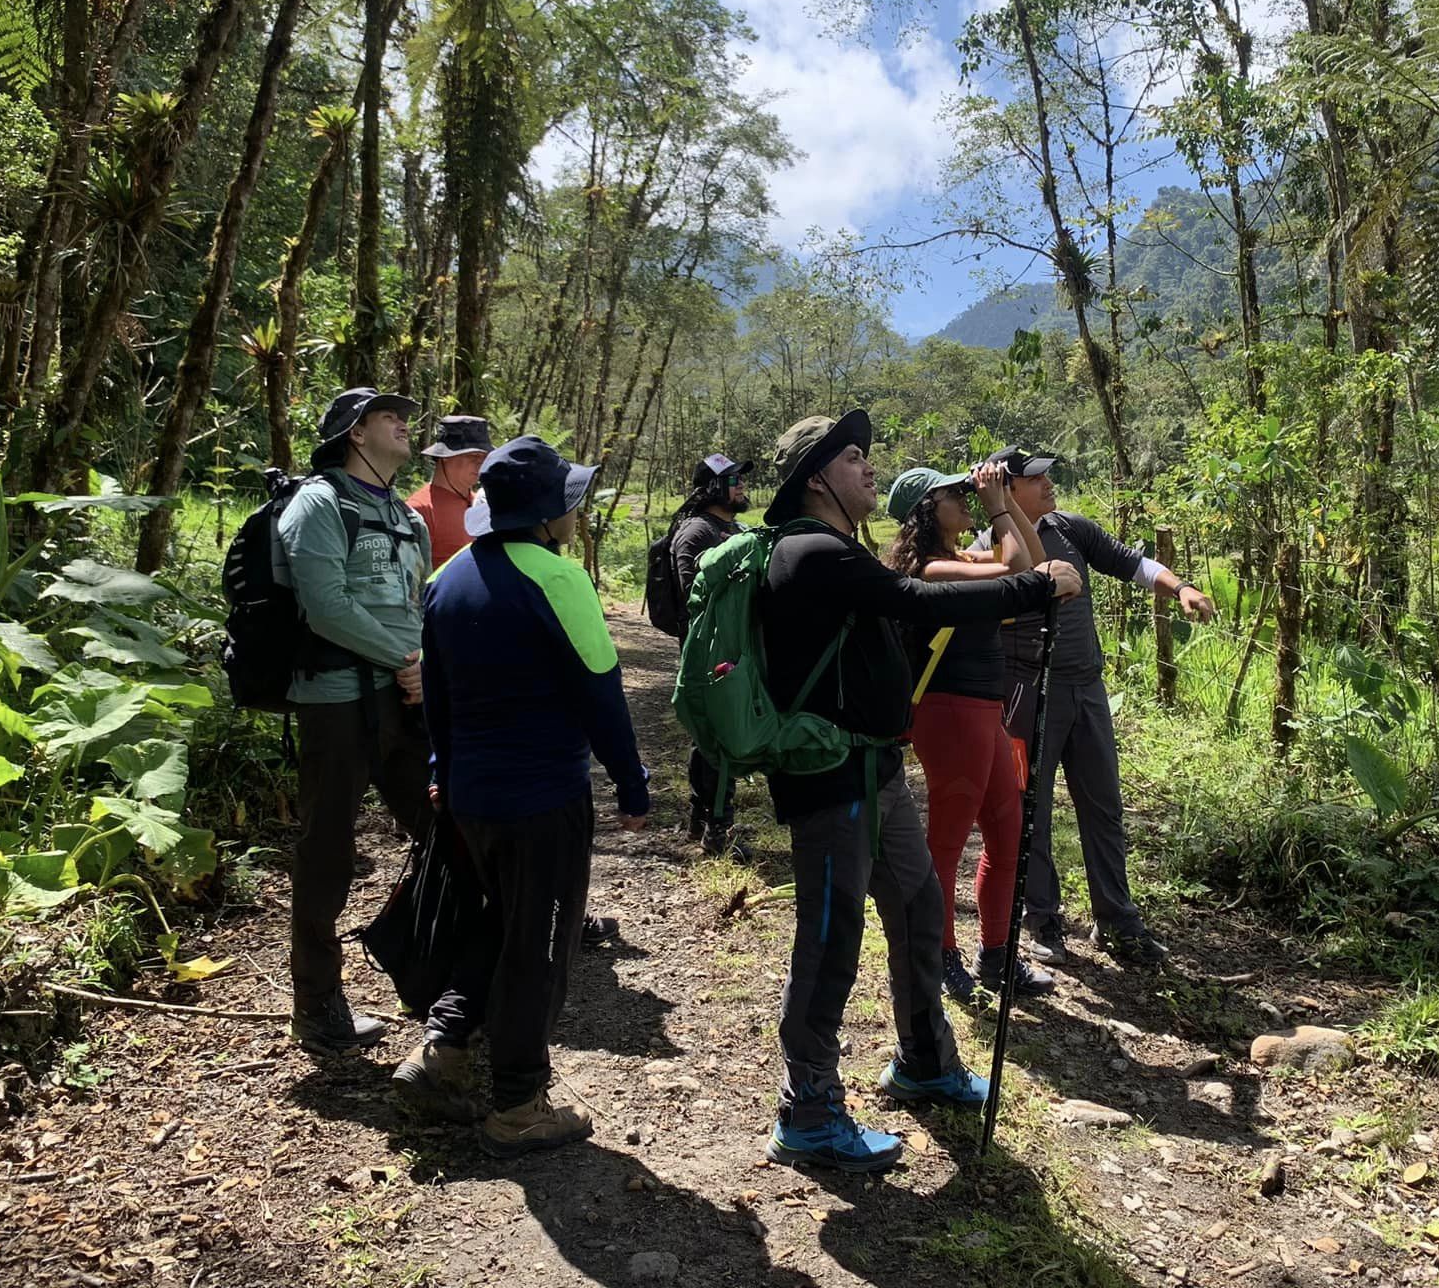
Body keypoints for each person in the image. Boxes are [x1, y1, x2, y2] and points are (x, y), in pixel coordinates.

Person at [756, 410, 1082, 1173]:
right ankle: (807, 1111)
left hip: (875, 770)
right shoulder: (809, 551)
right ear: (815, 477)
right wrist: (1032, 587)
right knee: (829, 942)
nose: (870, 469)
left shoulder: (839, 548)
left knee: (918, 906)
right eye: (854, 459)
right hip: (829, 779)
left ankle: (925, 1060)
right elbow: (920, 601)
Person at [408, 436, 653, 1157]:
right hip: (542, 798)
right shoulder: (558, 578)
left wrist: (440, 770)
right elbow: (600, 695)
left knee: (494, 919)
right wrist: (632, 784)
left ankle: (443, 1049)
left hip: (469, 796)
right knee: (540, 946)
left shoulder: (447, 578)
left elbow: (438, 700)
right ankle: (518, 1102)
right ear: (549, 511)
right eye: (570, 499)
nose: (577, 509)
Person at [978, 445, 1215, 969]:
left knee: (1103, 804)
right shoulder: (994, 545)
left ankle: (1118, 920)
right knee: (1029, 808)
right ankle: (1040, 918)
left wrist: (1181, 587)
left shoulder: (1071, 528)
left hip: (1086, 687)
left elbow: (1131, 561)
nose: (1047, 484)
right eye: (1035, 478)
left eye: (1047, 475)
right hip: (1027, 694)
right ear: (1008, 487)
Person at [274, 387, 432, 1052]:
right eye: (386, 417)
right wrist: (406, 658)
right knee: (328, 852)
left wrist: (429, 668)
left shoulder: (406, 516)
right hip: (336, 701)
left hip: (404, 699)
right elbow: (326, 606)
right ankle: (316, 1007)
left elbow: (419, 604)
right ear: (354, 434)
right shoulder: (319, 501)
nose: (403, 423)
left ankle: (436, 974)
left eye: (401, 415)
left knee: (446, 829)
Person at [884, 461, 1056, 1003]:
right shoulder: (933, 571)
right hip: (949, 712)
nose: (966, 497)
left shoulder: (962, 558)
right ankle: (941, 954)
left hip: (986, 711)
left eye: (967, 489)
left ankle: (997, 954)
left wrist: (1001, 501)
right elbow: (1016, 573)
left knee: (1009, 834)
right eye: (953, 493)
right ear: (926, 510)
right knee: (949, 840)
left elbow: (1033, 567)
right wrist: (999, 507)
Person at [669, 453, 754, 860]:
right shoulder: (696, 532)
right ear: (713, 487)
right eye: (733, 479)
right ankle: (716, 827)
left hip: (732, 648)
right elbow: (695, 597)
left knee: (717, 736)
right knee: (716, 736)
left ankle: (706, 820)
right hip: (706, 653)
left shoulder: (732, 527)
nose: (741, 486)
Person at [406, 413, 491, 570]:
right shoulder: (420, 510)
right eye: (473, 455)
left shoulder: (483, 504)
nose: (481, 462)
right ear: (445, 456)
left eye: (485, 456)